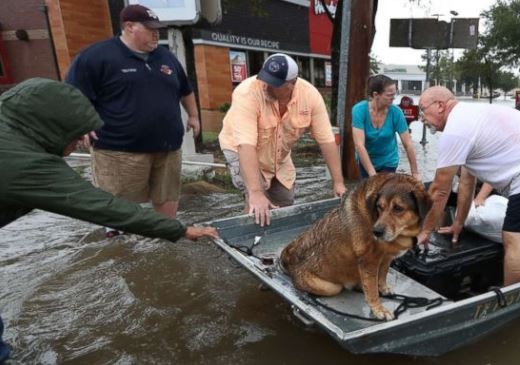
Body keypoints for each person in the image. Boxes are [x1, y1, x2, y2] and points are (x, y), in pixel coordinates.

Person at [0, 79, 220, 363]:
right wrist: (180, 229)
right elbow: (105, 208)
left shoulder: (11, 129)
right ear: (52, 126)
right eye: (76, 134)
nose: (82, 141)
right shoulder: (24, 163)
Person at [65, 4, 200, 235]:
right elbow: (72, 95)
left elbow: (185, 90)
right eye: (150, 29)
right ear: (129, 27)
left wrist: (194, 116)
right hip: (118, 151)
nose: (157, 34)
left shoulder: (165, 56)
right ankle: (119, 250)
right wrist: (81, 125)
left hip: (167, 148)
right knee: (119, 209)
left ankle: (165, 240)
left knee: (167, 198)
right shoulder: (96, 57)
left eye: (158, 29)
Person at [415, 86, 520, 286]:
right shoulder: (467, 117)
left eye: (423, 109)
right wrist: (458, 224)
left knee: (513, 234)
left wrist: (424, 231)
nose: (421, 117)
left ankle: (511, 297)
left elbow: (439, 189)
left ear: (440, 106)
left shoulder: (456, 131)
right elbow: (467, 181)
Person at [219, 53, 347, 226]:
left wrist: (338, 183)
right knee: (257, 202)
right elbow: (245, 145)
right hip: (239, 148)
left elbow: (327, 141)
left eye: (274, 84)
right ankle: (248, 239)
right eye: (265, 79)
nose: (266, 86)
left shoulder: (310, 96)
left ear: (292, 84)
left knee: (285, 202)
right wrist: (256, 192)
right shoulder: (247, 93)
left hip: (279, 155)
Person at [352, 74, 419, 179]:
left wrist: (415, 173)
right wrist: (372, 174)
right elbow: (359, 145)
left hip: (389, 160)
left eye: (394, 94)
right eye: (389, 95)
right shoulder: (359, 110)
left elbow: (408, 144)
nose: (393, 98)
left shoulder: (396, 112)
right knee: (369, 192)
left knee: (385, 190)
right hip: (366, 159)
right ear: (376, 95)